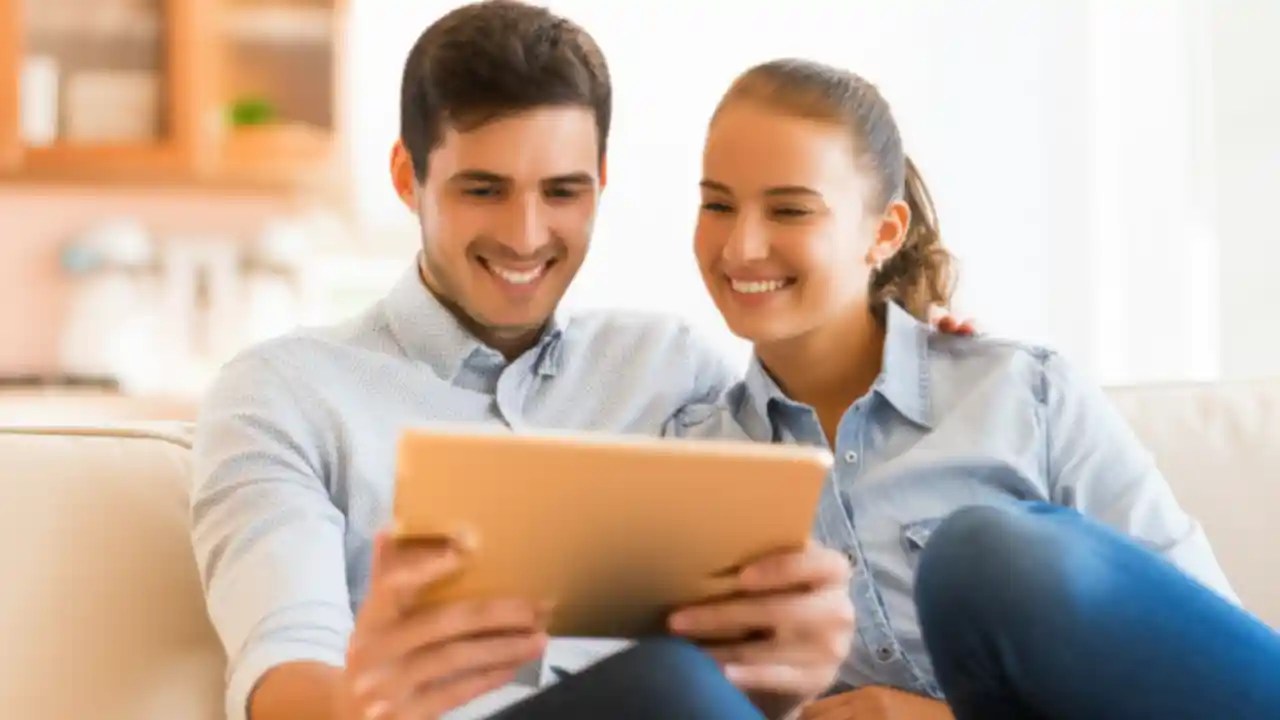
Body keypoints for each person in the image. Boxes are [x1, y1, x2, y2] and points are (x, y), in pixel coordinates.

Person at [191, 3, 856, 720]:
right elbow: (284, 676)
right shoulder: (281, 395)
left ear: (600, 179)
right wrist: (368, 701)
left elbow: (789, 610)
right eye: (483, 189)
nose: (525, 235)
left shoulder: (673, 373)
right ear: (406, 177)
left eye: (562, 191)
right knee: (676, 683)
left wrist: (793, 667)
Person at [665, 57, 1268, 720]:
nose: (740, 247)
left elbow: (1206, 649)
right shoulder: (696, 465)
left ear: (884, 232)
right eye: (717, 204)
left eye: (791, 210)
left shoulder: (1021, 393)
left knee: (984, 555)